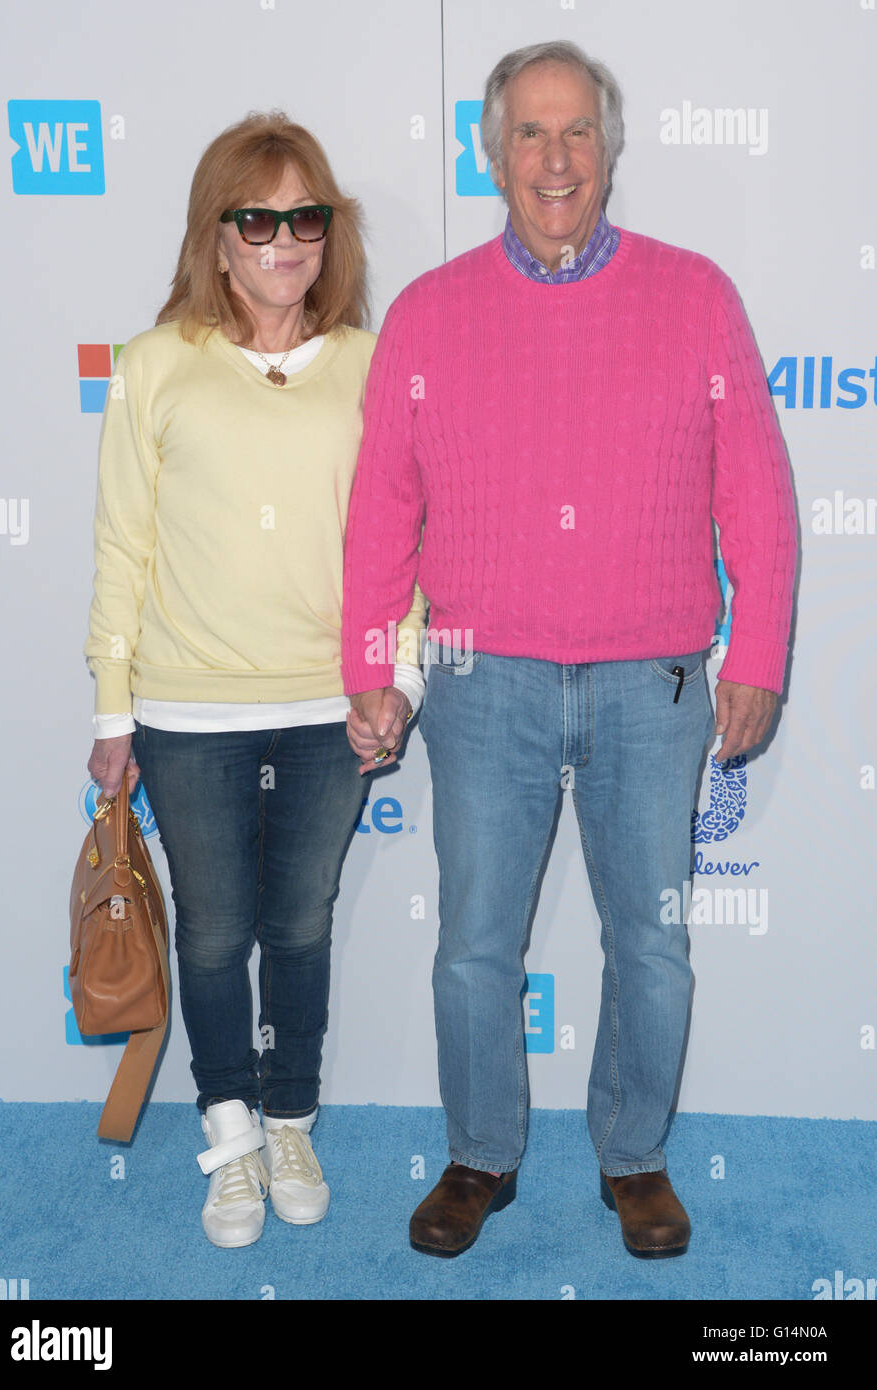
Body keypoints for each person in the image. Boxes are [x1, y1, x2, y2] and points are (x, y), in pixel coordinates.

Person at [341, 40, 797, 1259]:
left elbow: (756, 492)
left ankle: (635, 1156)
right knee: (475, 943)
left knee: (651, 941)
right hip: (484, 688)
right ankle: (481, 1152)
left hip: (655, 685)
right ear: (492, 153)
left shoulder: (694, 294)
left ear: (609, 148)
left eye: (578, 132)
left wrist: (754, 650)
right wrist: (371, 670)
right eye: (530, 134)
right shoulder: (432, 314)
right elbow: (382, 513)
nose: (555, 158)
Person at [84, 112, 425, 1249]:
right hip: (187, 709)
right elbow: (122, 547)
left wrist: (399, 679)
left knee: (302, 924)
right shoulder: (154, 365)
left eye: (306, 217)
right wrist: (111, 708)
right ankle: (228, 1130)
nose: (285, 239)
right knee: (217, 930)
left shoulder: (374, 368)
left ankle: (291, 1119)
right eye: (257, 217)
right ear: (216, 235)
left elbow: (407, 539)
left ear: (332, 233)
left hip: (332, 706)